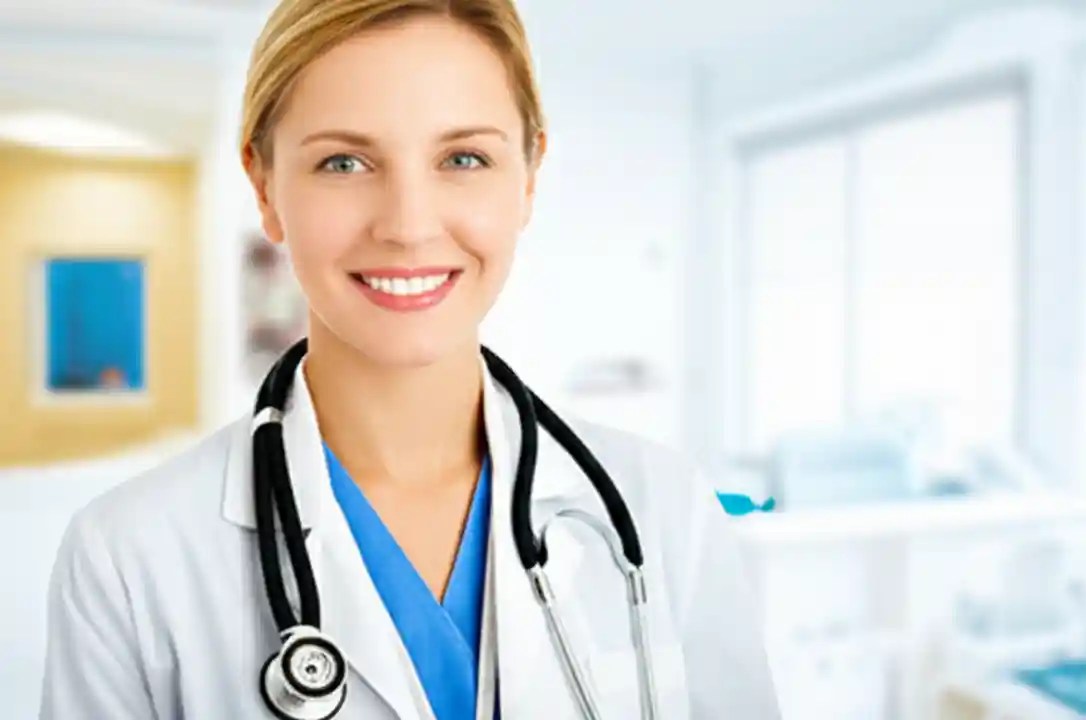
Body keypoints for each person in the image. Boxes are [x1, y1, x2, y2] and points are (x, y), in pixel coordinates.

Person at [38, 1, 781, 718]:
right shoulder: (128, 559)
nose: (408, 225)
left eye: (463, 157)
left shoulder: (661, 511)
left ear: (528, 176)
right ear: (264, 186)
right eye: (344, 162)